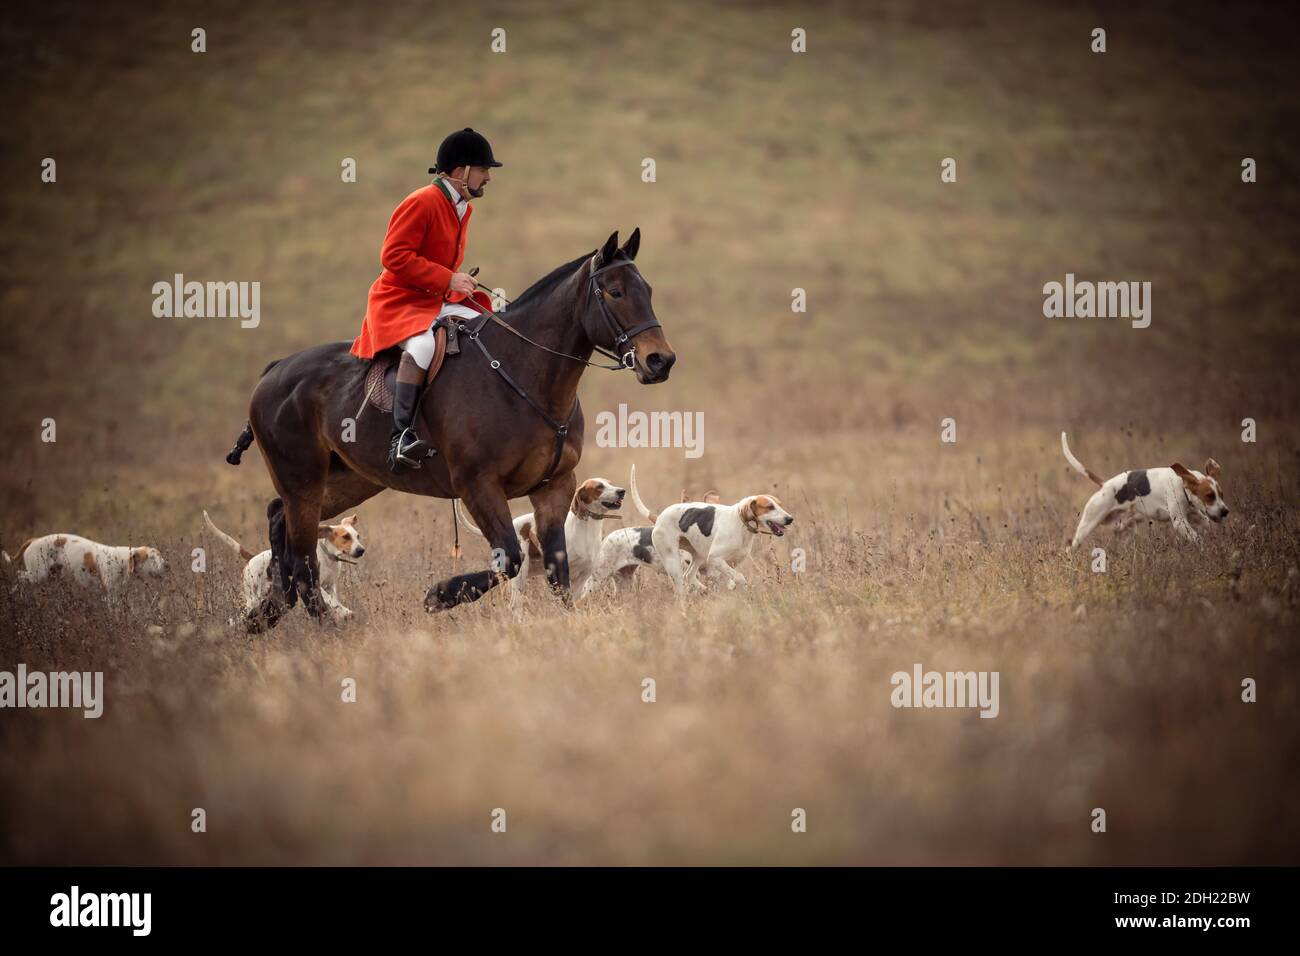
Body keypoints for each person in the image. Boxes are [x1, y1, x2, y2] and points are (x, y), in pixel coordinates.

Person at [350, 127, 503, 469]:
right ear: (461, 172)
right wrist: (448, 278)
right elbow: (394, 257)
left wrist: (454, 284)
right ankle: (401, 437)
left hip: (434, 298)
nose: (488, 177)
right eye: (483, 170)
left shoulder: (462, 207)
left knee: (485, 328)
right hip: (399, 300)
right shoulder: (422, 201)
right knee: (422, 347)